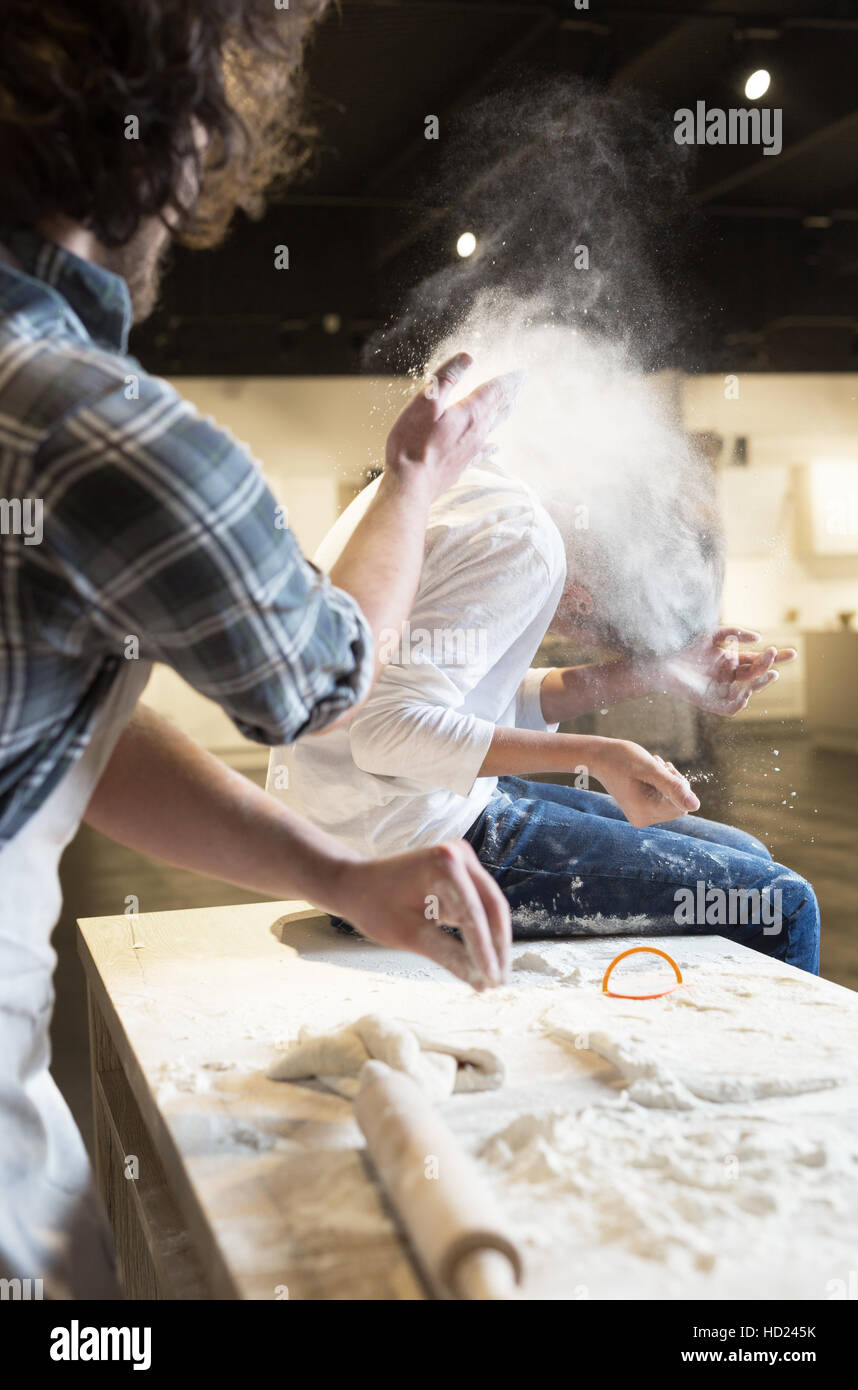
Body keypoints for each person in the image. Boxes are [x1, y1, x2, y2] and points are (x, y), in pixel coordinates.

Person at [0, 0, 513, 1298]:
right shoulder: (84, 421)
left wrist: (333, 866)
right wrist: (414, 479)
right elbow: (327, 682)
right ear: (167, 145)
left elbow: (66, 732)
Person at [268, 460, 820, 975]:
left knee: (744, 858)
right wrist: (597, 753)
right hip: (398, 854)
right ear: (580, 598)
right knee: (776, 901)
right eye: (598, 631)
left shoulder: (478, 490)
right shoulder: (524, 542)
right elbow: (388, 733)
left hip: (384, 819)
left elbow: (472, 699)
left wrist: (655, 671)